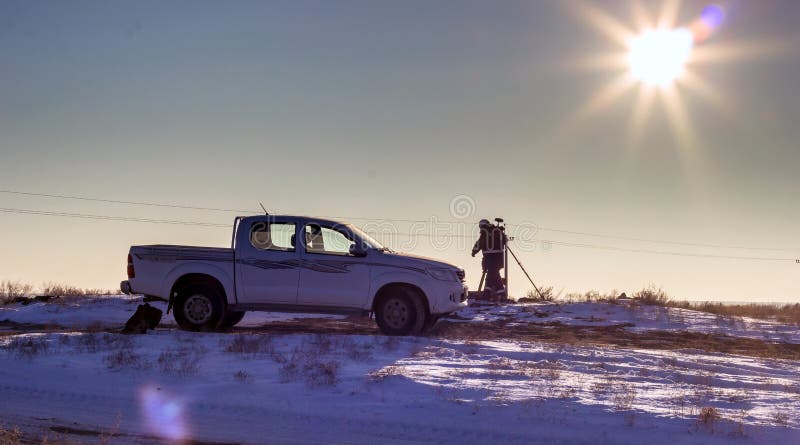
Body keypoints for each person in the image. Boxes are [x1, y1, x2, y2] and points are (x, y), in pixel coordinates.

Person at [471, 219, 506, 301]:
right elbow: (504, 241)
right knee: (492, 274)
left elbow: (479, 243)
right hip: (499, 257)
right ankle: (488, 293)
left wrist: (474, 251)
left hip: (489, 258)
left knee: (493, 274)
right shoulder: (497, 231)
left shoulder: (484, 233)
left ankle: (500, 293)